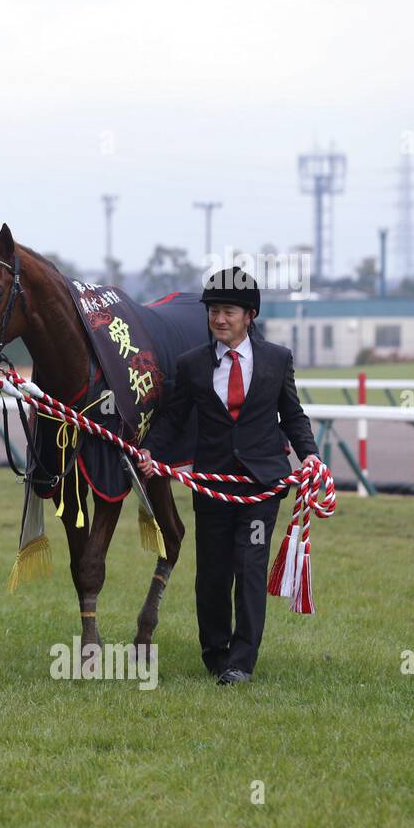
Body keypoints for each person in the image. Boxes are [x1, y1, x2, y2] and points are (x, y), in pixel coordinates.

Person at [138, 267, 319, 685]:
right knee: (213, 573)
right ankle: (215, 653)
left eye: (228, 312)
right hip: (213, 486)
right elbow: (173, 418)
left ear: (249, 315)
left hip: (262, 486)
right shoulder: (192, 365)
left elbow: (292, 415)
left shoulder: (277, 359)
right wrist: (151, 451)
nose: (219, 319)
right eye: (213, 311)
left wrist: (308, 455)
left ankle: (241, 661)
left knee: (249, 566)